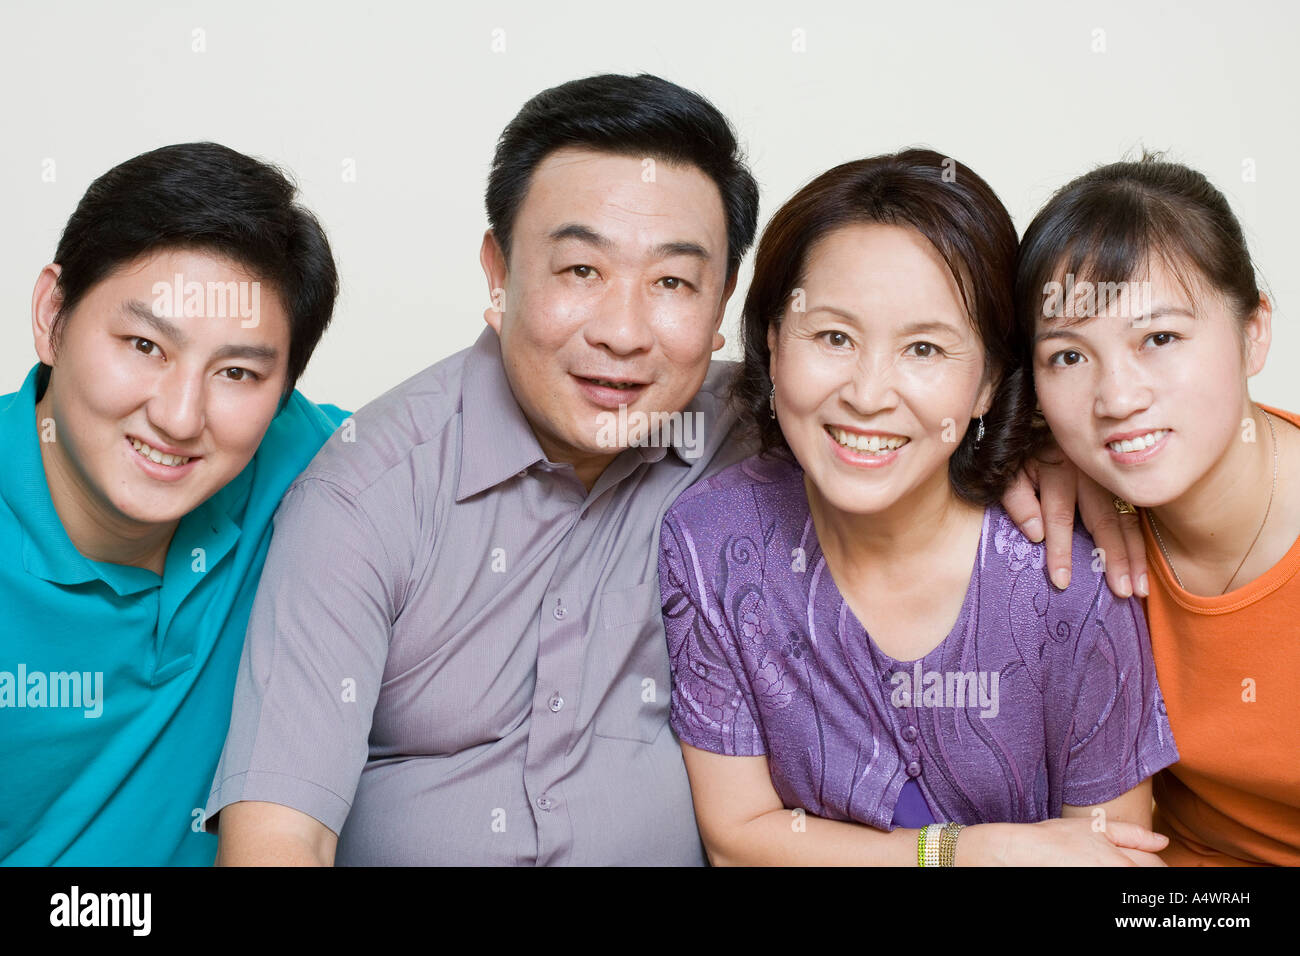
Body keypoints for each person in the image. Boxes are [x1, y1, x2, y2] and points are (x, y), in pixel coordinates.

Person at [203, 73, 761, 865]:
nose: (624, 332)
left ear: (722, 301)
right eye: (581, 271)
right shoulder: (364, 495)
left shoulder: (763, 439)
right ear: (498, 274)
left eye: (672, 282)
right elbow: (280, 836)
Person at [659, 150, 1179, 866]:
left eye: (925, 349)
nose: (869, 394)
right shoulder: (712, 541)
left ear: (989, 382)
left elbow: (1113, 859)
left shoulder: (1068, 575)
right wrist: (964, 855)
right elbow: (737, 840)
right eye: (834, 337)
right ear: (774, 342)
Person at [0, 143, 348, 865]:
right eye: (144, 344)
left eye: (237, 373)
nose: (180, 417)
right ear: (52, 314)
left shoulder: (317, 469)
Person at [1016, 154, 1300, 866]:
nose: (1116, 398)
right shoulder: (1068, 517)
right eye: (1068, 357)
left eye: (1160, 338)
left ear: (1254, 331)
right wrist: (1031, 451)